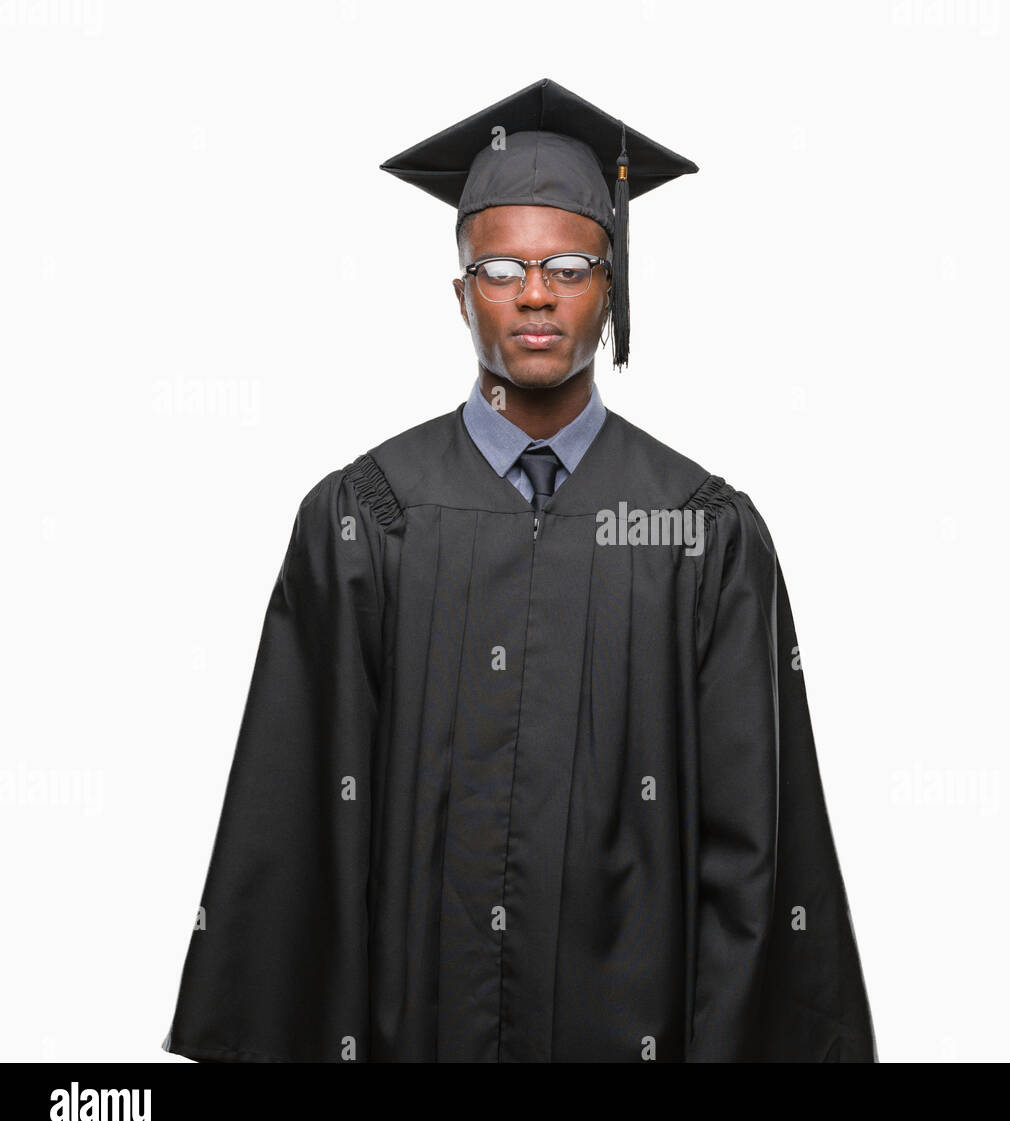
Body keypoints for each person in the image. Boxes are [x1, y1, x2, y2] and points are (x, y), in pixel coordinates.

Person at [162, 78, 877, 1063]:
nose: (535, 294)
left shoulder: (701, 536)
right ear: (460, 291)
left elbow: (755, 857)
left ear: (611, 282)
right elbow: (293, 835)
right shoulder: (364, 521)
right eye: (499, 268)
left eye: (569, 264)